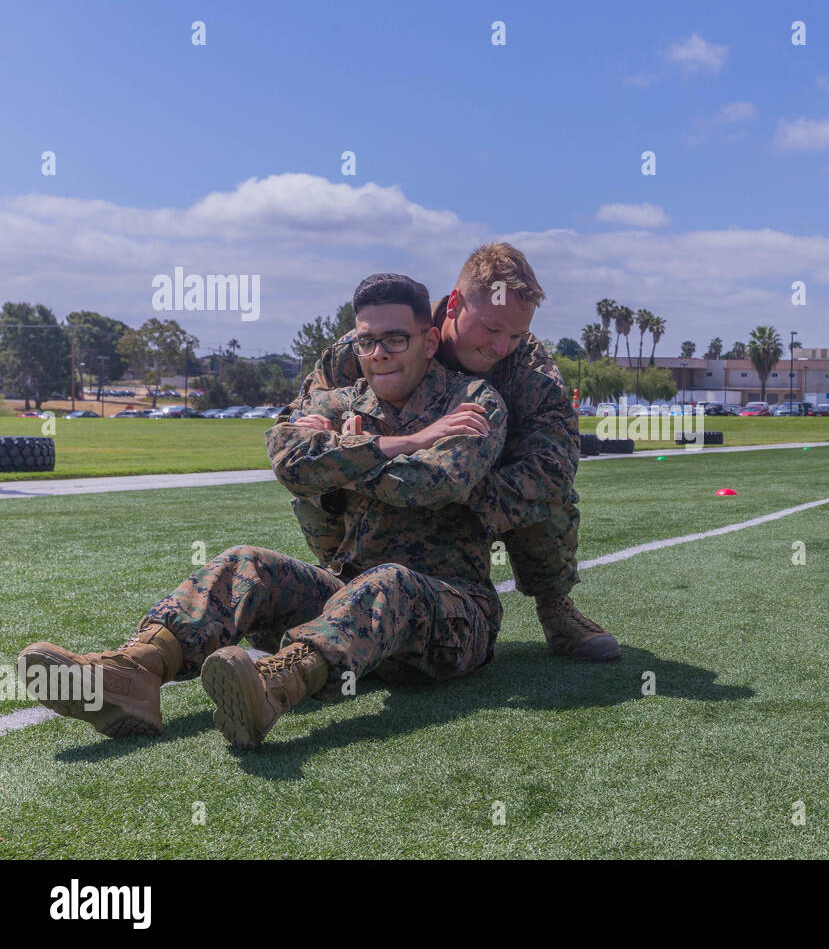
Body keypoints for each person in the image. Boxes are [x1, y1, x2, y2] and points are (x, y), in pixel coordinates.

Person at [19, 274, 508, 748]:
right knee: (244, 562)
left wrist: (339, 453)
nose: (378, 354)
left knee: (390, 580)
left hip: (449, 616)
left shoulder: (472, 401)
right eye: (366, 341)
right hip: (345, 602)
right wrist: (401, 443)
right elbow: (286, 456)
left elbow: (435, 482)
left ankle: (273, 685)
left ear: (427, 339)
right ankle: (134, 674)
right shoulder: (343, 399)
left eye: (396, 340)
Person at [291, 244, 617, 661]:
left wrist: (449, 486)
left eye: (515, 335)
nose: (502, 346)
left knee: (550, 498)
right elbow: (298, 420)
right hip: (379, 480)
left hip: (472, 488)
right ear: (455, 304)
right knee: (317, 477)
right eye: (491, 329)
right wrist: (327, 433)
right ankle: (342, 585)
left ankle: (556, 608)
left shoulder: (531, 370)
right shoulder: (392, 330)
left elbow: (553, 468)